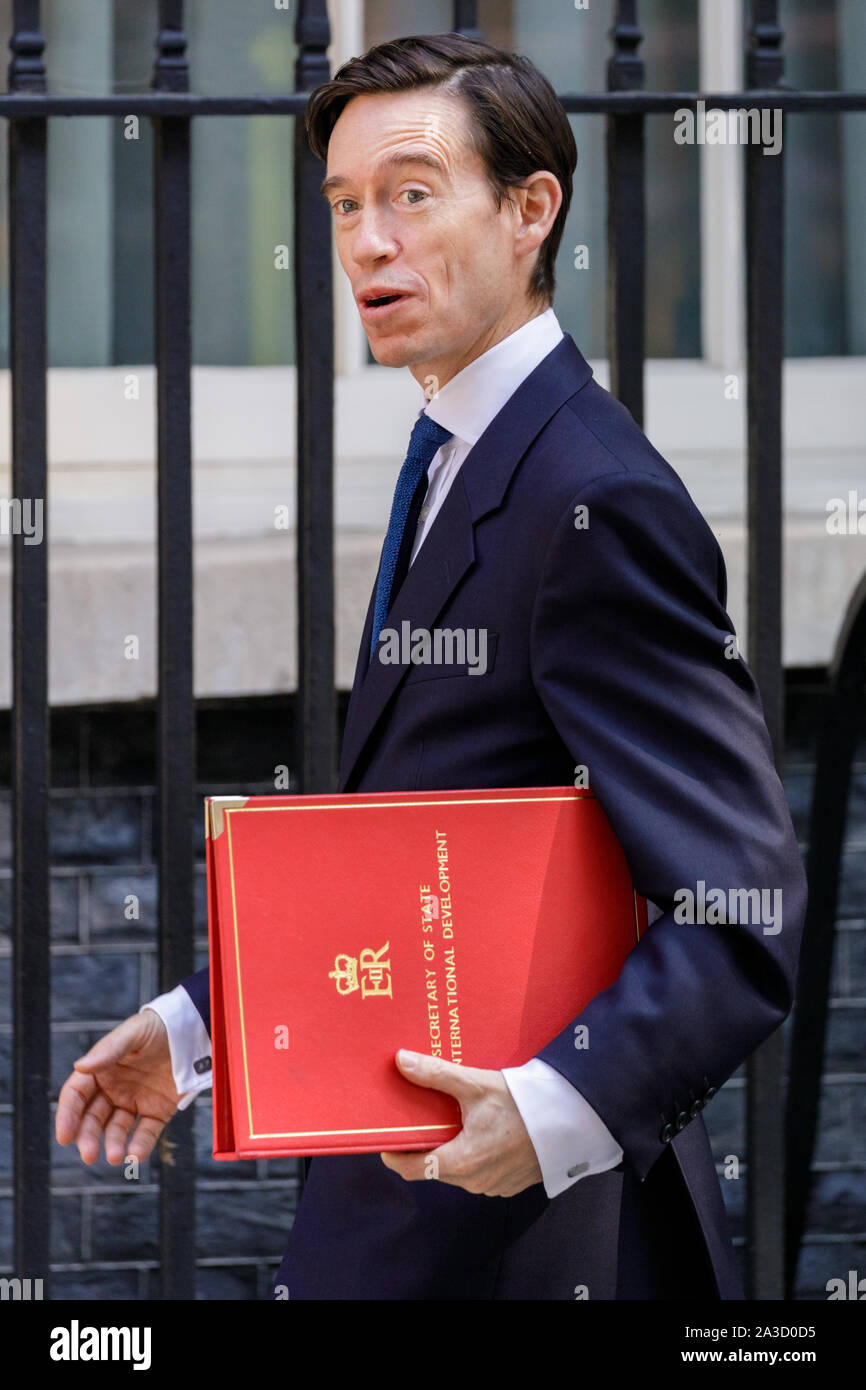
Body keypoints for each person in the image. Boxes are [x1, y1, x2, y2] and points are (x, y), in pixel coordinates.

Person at [56, 32, 806, 1300]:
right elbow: (417, 854)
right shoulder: (457, 444)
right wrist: (198, 1029)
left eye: (409, 192)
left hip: (528, 1235)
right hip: (404, 1203)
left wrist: (551, 1108)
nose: (363, 241)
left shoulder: (596, 497)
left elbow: (741, 904)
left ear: (529, 210)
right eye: (343, 205)